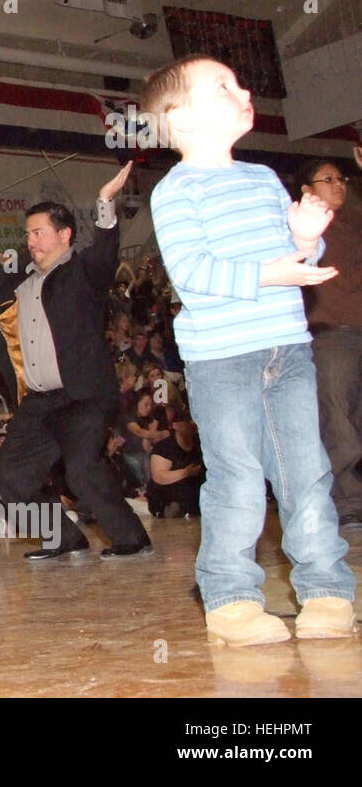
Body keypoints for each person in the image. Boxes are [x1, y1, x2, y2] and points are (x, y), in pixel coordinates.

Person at [144, 55, 355, 645]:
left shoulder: (263, 179)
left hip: (288, 348)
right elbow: (192, 271)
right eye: (223, 87)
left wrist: (306, 238)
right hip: (222, 359)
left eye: (241, 82)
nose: (243, 92)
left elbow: (295, 261)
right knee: (236, 476)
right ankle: (232, 600)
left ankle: (326, 592)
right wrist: (273, 271)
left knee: (307, 473)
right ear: (179, 117)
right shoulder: (174, 190)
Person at [0, 161, 152, 563]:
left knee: (81, 468)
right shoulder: (19, 283)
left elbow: (105, 252)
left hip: (83, 396)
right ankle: (63, 537)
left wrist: (104, 203)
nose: (30, 240)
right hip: (39, 401)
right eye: (28, 233)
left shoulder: (83, 273)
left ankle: (131, 537)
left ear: (64, 234)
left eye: (38, 232)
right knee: (8, 473)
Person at [295, 154, 362, 526]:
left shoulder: (354, 220)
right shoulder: (303, 228)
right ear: (307, 190)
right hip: (331, 333)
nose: (338, 184)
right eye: (327, 179)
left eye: (342, 178)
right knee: (339, 422)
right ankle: (346, 502)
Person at [147, 419, 204, 518]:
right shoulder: (164, 447)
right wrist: (186, 472)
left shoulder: (201, 444)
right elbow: (159, 476)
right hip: (168, 493)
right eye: (186, 421)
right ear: (175, 425)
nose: (191, 424)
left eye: (193, 420)